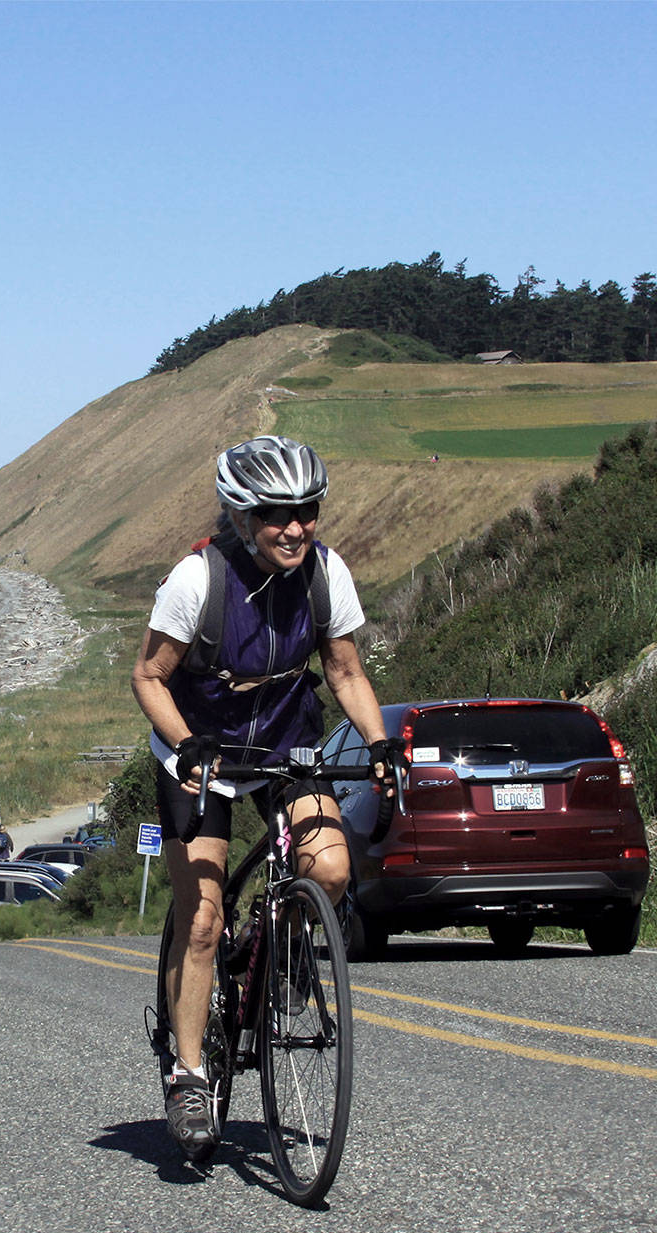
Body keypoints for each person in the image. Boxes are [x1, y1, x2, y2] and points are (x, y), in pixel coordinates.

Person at [130, 435, 397, 1159]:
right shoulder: (196, 580)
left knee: (332, 868)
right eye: (279, 514)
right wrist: (186, 743)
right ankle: (188, 1077)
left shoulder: (325, 573)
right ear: (243, 516)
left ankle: (274, 957)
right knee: (204, 922)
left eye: (307, 511)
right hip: (202, 755)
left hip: (284, 743)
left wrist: (378, 745)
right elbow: (149, 678)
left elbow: (344, 672)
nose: (297, 528)